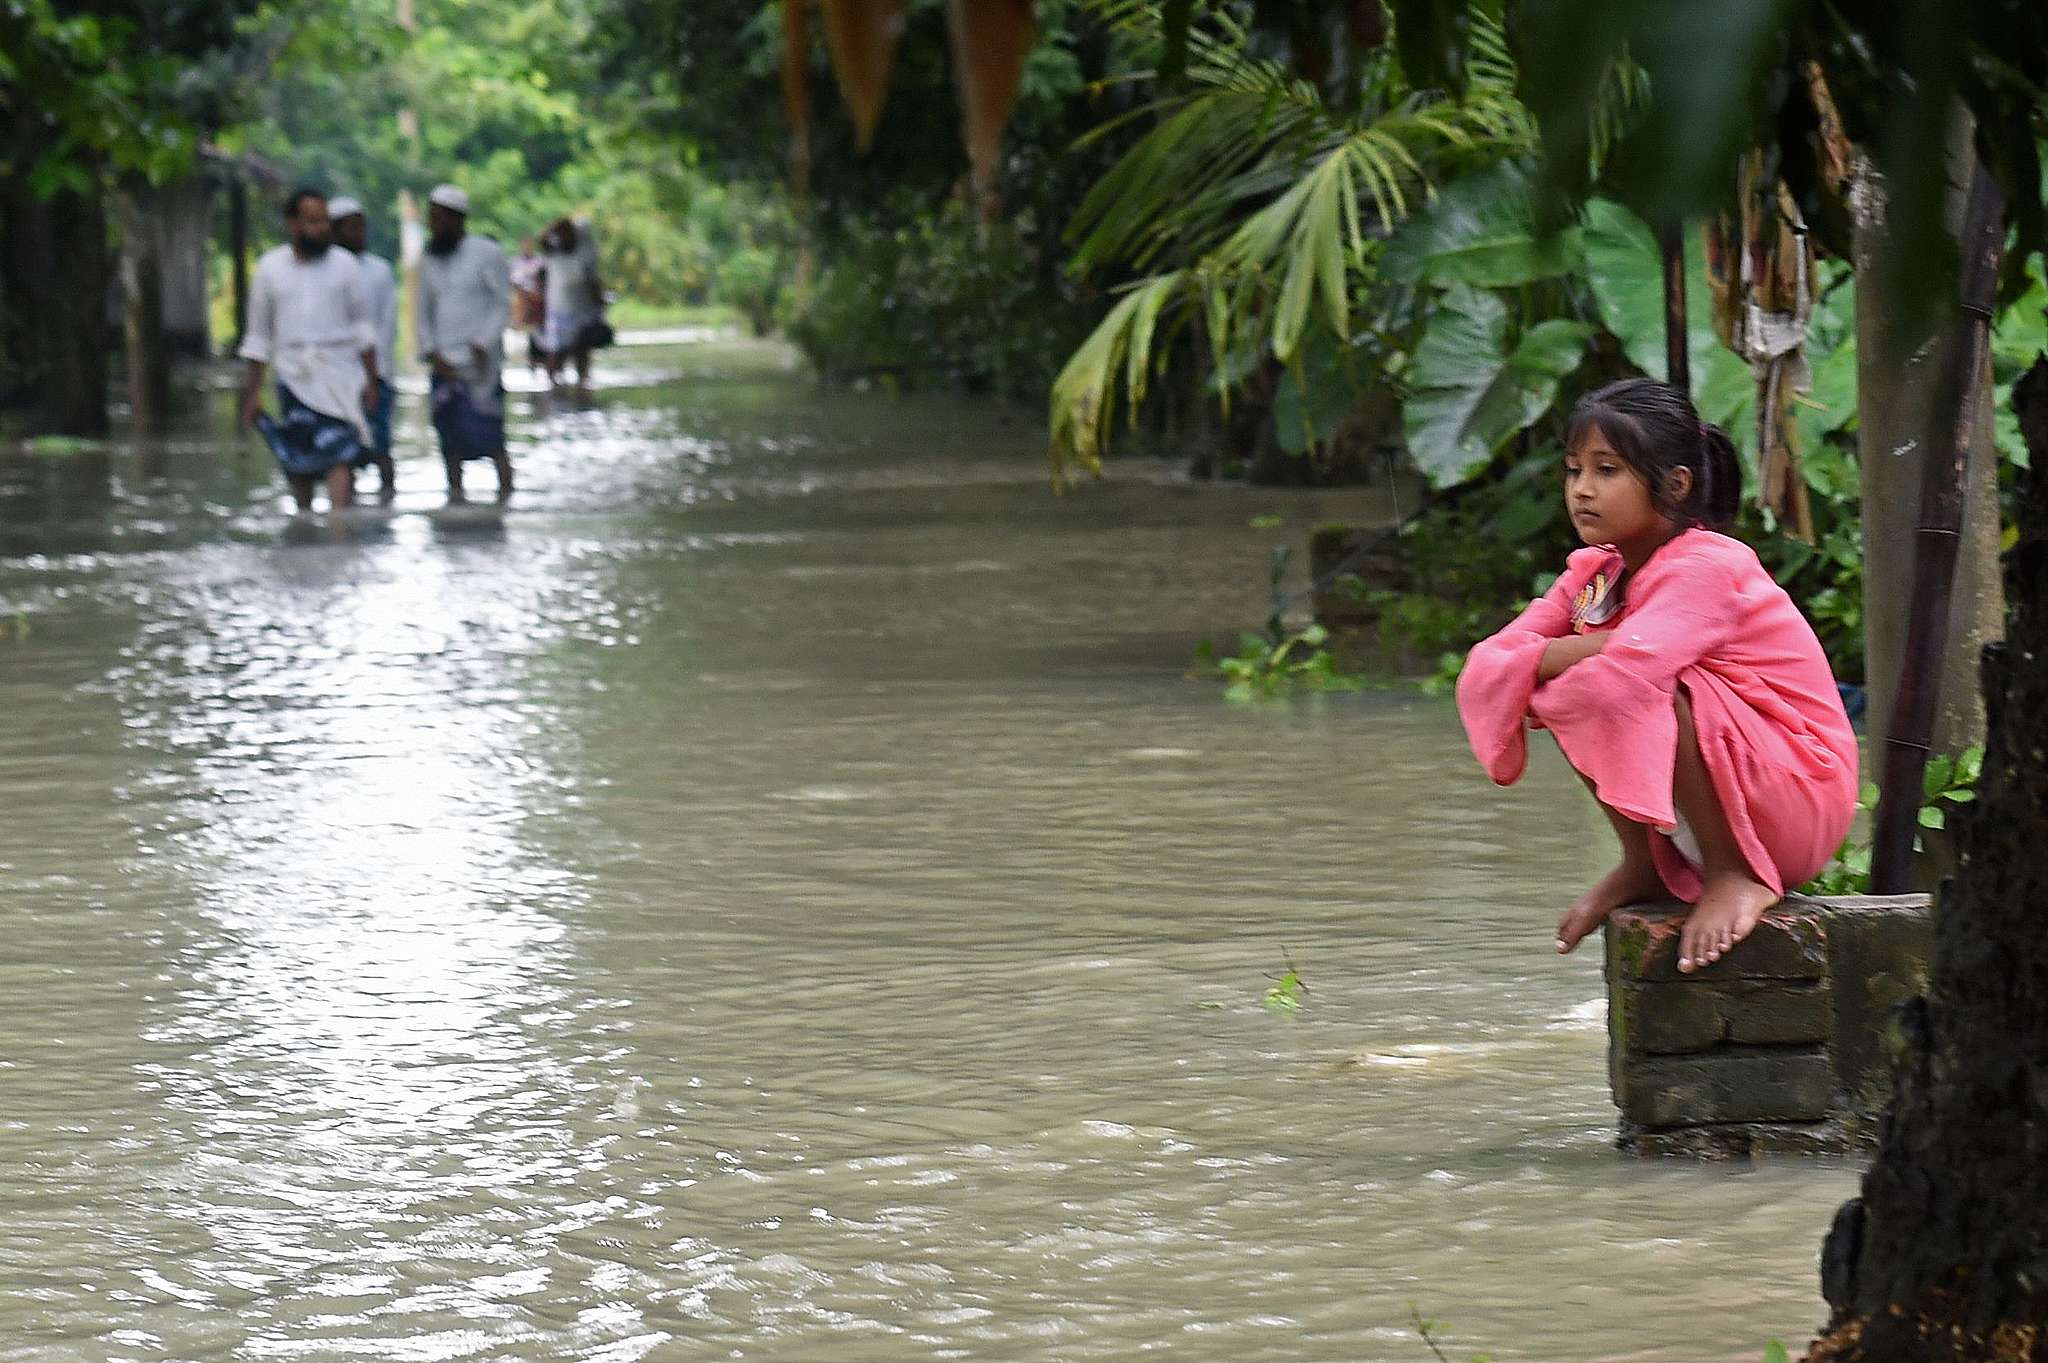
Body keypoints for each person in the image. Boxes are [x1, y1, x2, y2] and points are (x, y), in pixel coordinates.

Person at [1455, 378, 1858, 975]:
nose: (1582, 490)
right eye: (1574, 470)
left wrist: (1568, 652)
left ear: (1675, 485)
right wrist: (1587, 647)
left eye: (1607, 470)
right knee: (1567, 683)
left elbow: (1630, 670)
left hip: (1797, 794)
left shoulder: (1708, 563)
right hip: (1732, 792)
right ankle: (1644, 862)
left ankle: (1736, 873)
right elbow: (1488, 665)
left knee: (1623, 684)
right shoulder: (1596, 573)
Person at [238, 187, 379, 513]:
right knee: (298, 459)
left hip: (341, 376)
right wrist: (253, 392)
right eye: (313, 222)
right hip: (293, 376)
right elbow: (258, 338)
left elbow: (363, 329)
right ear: (293, 224)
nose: (321, 229)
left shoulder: (345, 266)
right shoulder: (269, 269)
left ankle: (340, 527)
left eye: (325, 221)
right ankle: (303, 526)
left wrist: (372, 380)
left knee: (340, 454)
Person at [416, 183, 513, 501]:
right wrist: (431, 352)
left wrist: (484, 342)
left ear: (458, 218)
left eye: (440, 217)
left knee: (492, 437)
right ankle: (456, 499)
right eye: (432, 217)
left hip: (481, 365)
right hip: (444, 362)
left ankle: (505, 498)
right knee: (450, 440)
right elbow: (423, 310)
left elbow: (501, 303)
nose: (434, 224)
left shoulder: (486, 253)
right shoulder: (429, 259)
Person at [328, 196, 399, 498]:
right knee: (343, 452)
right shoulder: (324, 272)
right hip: (335, 377)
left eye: (361, 227)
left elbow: (386, 326)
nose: (359, 234)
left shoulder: (379, 271)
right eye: (351, 228)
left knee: (380, 445)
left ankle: (388, 500)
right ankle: (349, 505)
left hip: (374, 375)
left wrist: (376, 375)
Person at [539, 216, 605, 391]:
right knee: (556, 352)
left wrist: (599, 307)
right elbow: (542, 240)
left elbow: (593, 281)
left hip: (582, 309)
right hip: (558, 309)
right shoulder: (554, 250)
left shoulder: (586, 252)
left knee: (581, 350)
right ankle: (554, 385)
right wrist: (556, 225)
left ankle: (582, 385)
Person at [510, 235, 547, 374]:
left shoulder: (541, 261)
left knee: (538, 330)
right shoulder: (515, 262)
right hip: (523, 299)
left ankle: (541, 359)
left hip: (539, 298)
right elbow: (513, 281)